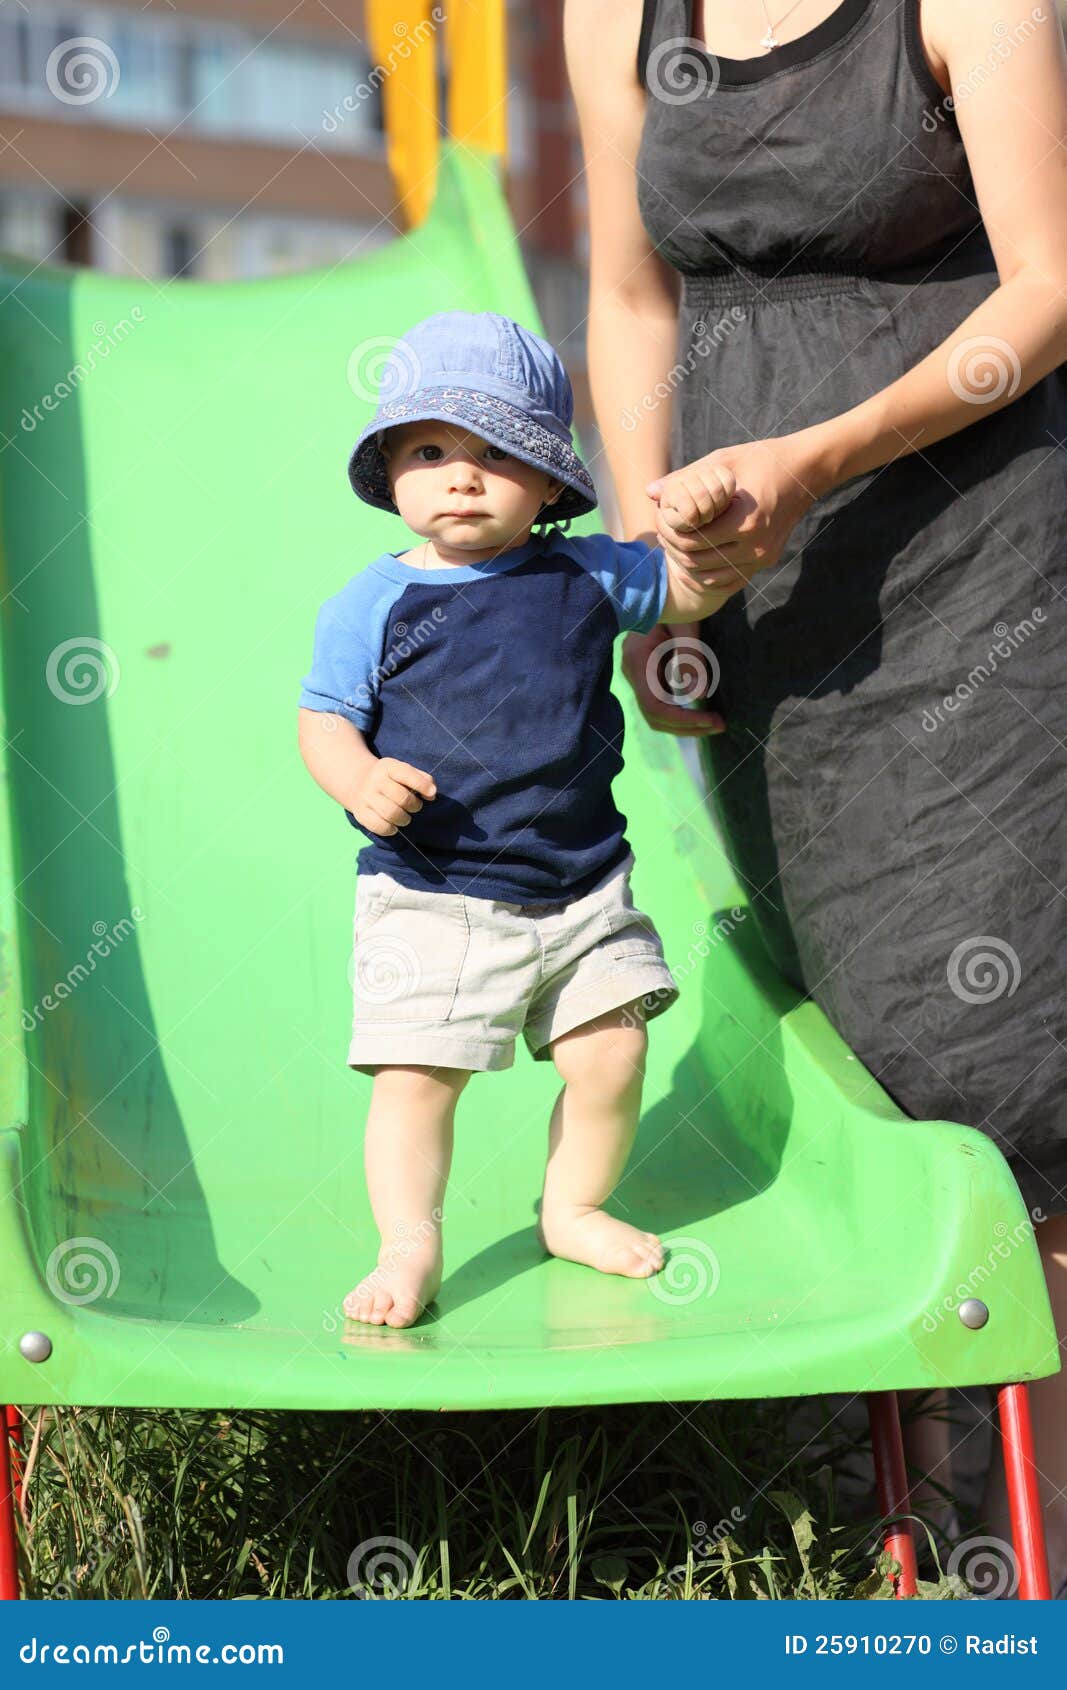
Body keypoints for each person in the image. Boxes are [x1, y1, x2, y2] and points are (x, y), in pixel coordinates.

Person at [566, 0, 1067, 1591]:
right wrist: (653, 576)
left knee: (1006, 1052)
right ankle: (904, 1541)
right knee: (851, 1031)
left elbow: (1046, 289)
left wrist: (815, 457)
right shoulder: (613, 12)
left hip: (974, 571)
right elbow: (629, 295)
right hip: (755, 592)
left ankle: (1034, 1546)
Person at [296, 309, 734, 1330]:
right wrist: (357, 780)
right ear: (390, 471)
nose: (461, 476)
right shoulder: (372, 603)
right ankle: (407, 1244)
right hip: (432, 892)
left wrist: (702, 521)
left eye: (495, 454)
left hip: (583, 887)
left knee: (611, 1055)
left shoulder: (586, 573)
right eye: (430, 452)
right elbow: (322, 719)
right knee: (416, 1079)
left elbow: (689, 585)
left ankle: (571, 1206)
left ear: (546, 483)